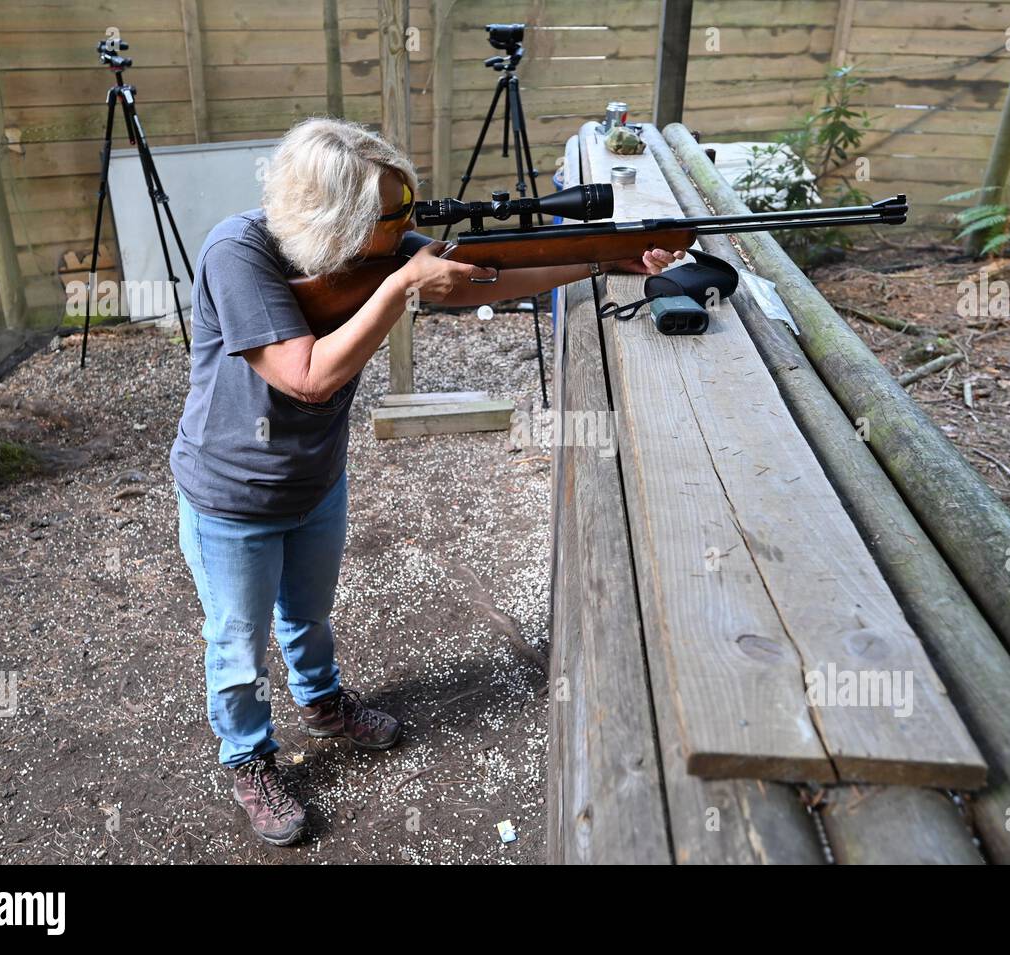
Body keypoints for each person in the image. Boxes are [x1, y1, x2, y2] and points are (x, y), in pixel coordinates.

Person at [169, 117, 684, 846]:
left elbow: (493, 274)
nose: (410, 226)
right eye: (395, 216)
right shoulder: (237, 252)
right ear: (339, 220)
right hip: (231, 495)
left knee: (309, 615)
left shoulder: (374, 251)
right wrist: (404, 284)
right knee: (238, 643)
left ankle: (322, 703)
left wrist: (607, 260)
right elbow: (307, 377)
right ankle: (248, 758)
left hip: (314, 480)